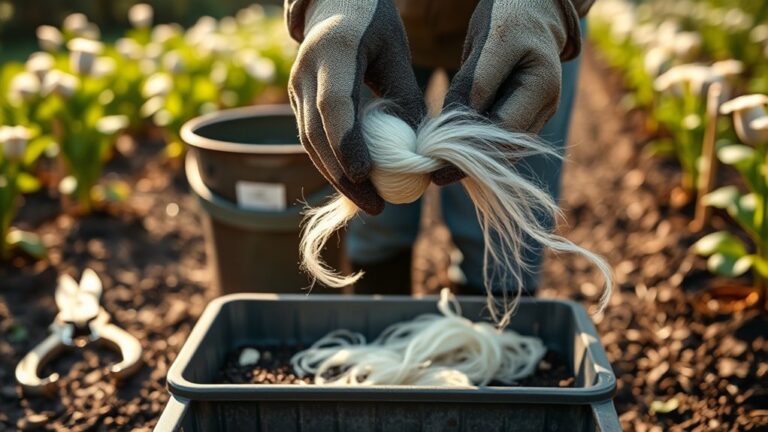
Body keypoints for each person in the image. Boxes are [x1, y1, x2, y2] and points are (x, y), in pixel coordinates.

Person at [284, 0, 594, 295]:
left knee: (507, 233)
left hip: (517, 23)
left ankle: (499, 334)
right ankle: (383, 326)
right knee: (374, 213)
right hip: (369, 20)